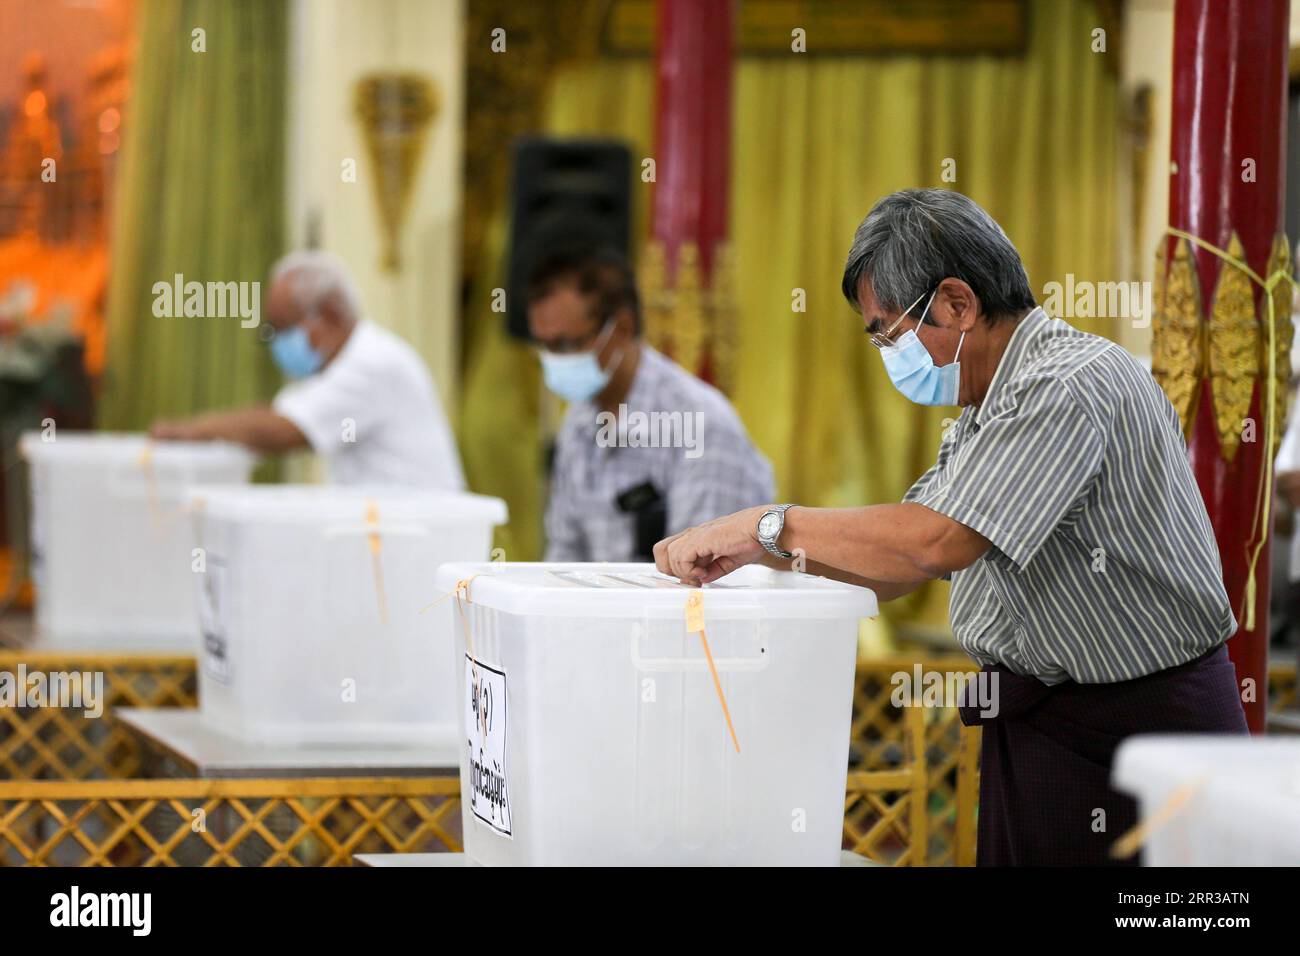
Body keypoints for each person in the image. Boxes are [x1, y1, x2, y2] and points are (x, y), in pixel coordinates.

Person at [653, 188, 1247, 866]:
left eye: (889, 332)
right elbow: (903, 568)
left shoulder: (1068, 384)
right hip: (1052, 725)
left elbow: (937, 540)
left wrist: (766, 524)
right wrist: (759, 556)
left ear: (959, 303)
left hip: (1141, 731)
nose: (885, 354)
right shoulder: (984, 408)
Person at [528, 245, 774, 562]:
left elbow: (703, 577)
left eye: (568, 343)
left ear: (622, 327)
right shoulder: (578, 421)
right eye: (545, 346)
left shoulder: (701, 425)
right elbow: (564, 555)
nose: (555, 360)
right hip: (603, 610)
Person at [151, 251, 464, 489]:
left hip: (424, 536)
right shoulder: (340, 368)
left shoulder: (373, 362)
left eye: (284, 329)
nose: (279, 344)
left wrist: (193, 430)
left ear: (330, 314)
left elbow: (284, 429)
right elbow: (276, 415)